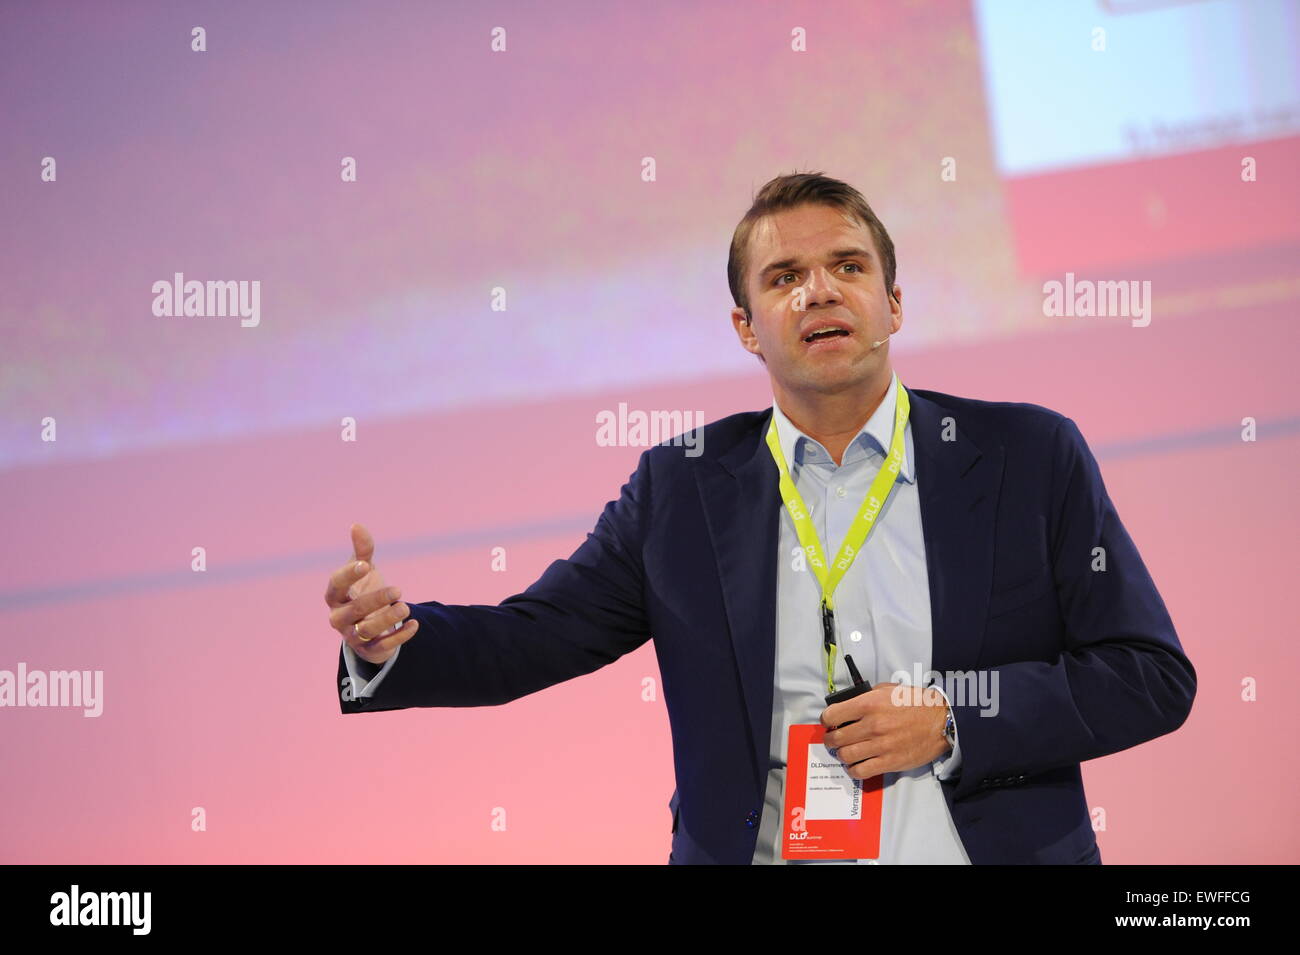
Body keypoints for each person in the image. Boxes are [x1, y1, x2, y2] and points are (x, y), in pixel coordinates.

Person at [324, 172, 1196, 864]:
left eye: (849, 267)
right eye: (785, 278)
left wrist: (956, 721)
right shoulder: (682, 488)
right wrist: (391, 641)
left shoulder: (1027, 455)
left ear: (894, 304)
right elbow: (534, 635)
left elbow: (1148, 674)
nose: (820, 291)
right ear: (746, 326)